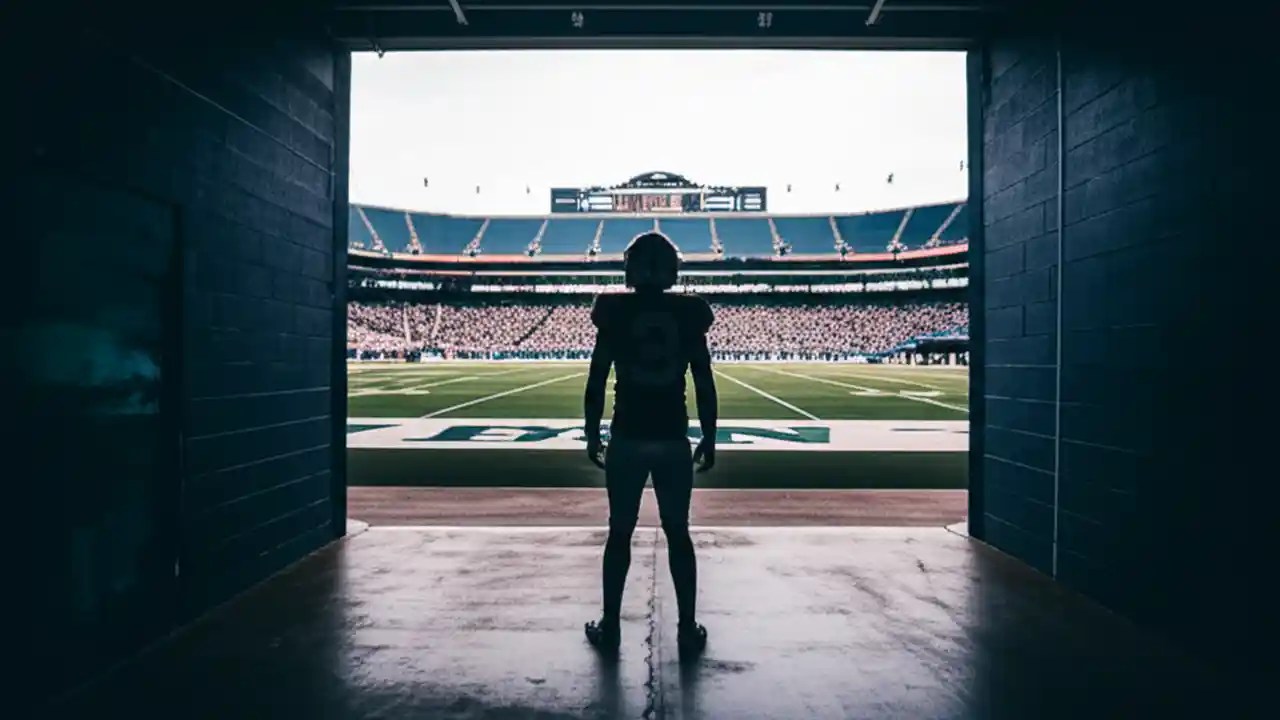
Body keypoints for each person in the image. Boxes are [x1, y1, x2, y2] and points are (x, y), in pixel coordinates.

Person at [582, 231, 717, 658]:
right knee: (678, 533)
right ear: (673, 270)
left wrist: (591, 431)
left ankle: (610, 625)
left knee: (619, 533)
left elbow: (598, 376)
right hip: (672, 435)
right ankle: (686, 626)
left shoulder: (615, 311)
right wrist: (709, 435)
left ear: (631, 268)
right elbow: (703, 380)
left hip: (628, 434)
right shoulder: (689, 313)